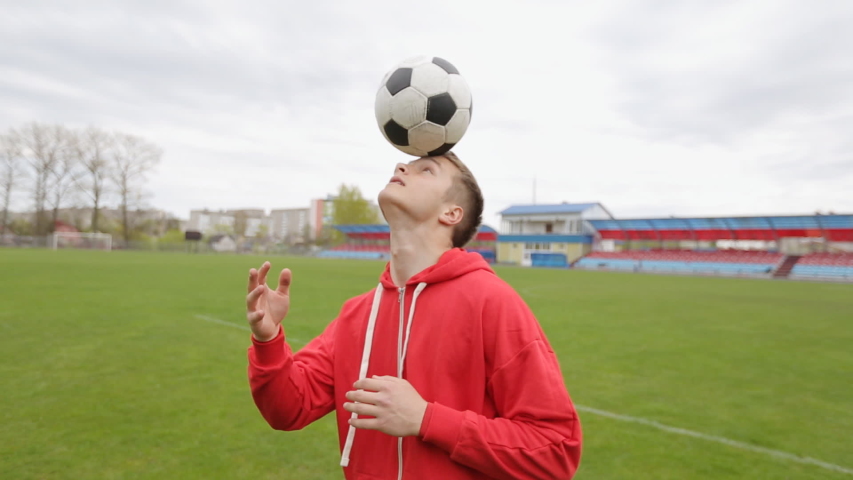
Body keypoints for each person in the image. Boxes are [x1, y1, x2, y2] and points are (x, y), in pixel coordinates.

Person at [245, 152, 582, 479]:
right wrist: (268, 340)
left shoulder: (492, 302)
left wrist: (426, 419)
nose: (401, 166)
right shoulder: (357, 313)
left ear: (451, 213)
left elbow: (555, 450)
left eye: (427, 170)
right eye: (406, 164)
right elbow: (288, 410)